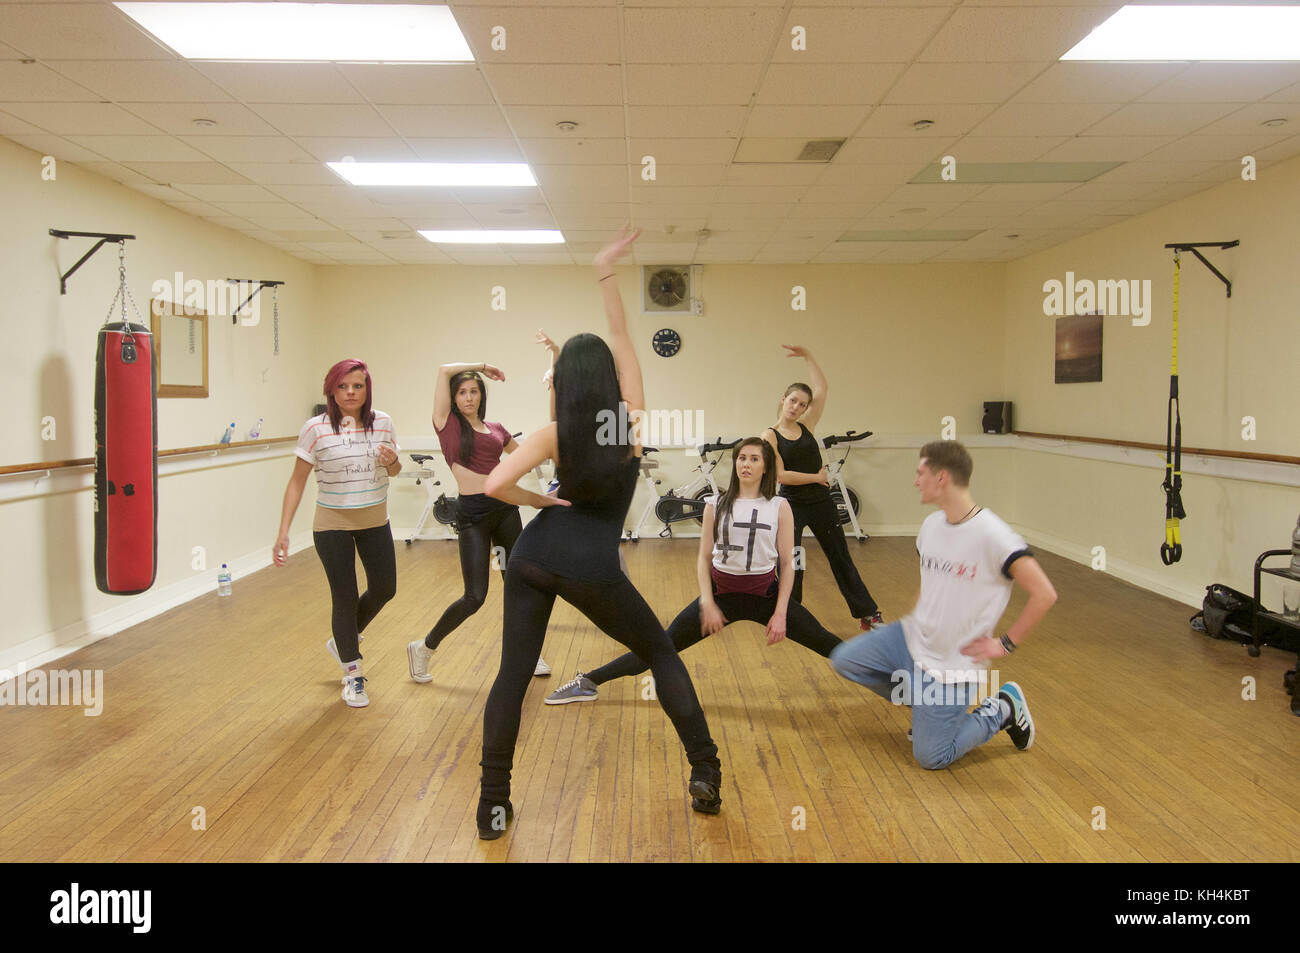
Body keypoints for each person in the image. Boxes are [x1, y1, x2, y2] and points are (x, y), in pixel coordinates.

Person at [476, 227, 722, 839]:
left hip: (535, 551)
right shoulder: (629, 420)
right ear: (608, 380)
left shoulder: (554, 430)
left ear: (562, 381)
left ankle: (492, 805)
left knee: (512, 674)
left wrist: (541, 499)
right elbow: (622, 340)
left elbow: (491, 487)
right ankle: (704, 770)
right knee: (661, 651)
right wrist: (605, 271)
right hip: (592, 565)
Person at [547, 437, 843, 704]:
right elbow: (703, 559)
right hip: (719, 595)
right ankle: (589, 681)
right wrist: (708, 602)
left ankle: (888, 679)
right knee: (660, 646)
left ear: (766, 466)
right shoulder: (715, 503)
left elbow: (788, 562)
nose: (746, 464)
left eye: (754, 458)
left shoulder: (779, 506)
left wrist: (780, 613)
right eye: (742, 458)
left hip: (766, 595)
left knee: (825, 642)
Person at [829, 441, 1057, 769]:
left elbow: (1045, 594)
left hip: (954, 663)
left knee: (932, 757)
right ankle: (926, 710)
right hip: (911, 640)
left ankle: (1003, 707)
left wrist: (1005, 645)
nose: (915, 481)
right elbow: (933, 585)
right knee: (846, 660)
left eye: (920, 473)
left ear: (942, 477)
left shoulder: (994, 536)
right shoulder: (930, 527)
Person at [407, 360, 551, 683]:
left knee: (518, 585)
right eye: (462, 392)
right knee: (475, 596)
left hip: (506, 512)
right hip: (473, 517)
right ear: (454, 398)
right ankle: (424, 648)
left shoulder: (497, 429)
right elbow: (443, 369)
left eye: (474, 392)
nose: (468, 397)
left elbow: (525, 457)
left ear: (481, 397)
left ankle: (528, 653)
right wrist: (483, 367)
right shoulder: (447, 426)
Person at [274, 359, 400, 708]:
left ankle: (342, 640)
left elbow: (395, 470)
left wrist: (391, 461)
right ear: (331, 389)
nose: (350, 393)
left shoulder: (383, 423)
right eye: (343, 386)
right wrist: (284, 531)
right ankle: (353, 673)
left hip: (375, 520)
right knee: (344, 598)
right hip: (332, 526)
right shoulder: (315, 428)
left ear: (367, 389)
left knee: (385, 589)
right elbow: (297, 482)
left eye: (357, 386)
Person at [763, 346, 883, 630]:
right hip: (790, 506)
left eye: (802, 404)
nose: (796, 407)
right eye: (793, 401)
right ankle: (790, 615)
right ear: (783, 400)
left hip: (820, 503)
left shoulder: (808, 426)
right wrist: (816, 477)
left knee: (840, 556)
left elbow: (822, 387)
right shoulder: (769, 435)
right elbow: (781, 476)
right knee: (793, 561)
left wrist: (808, 357)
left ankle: (868, 614)